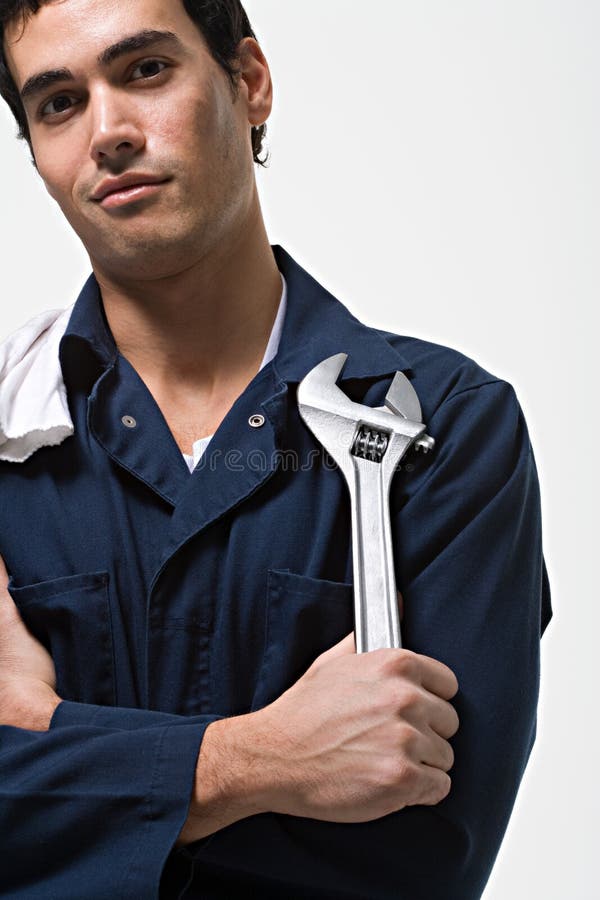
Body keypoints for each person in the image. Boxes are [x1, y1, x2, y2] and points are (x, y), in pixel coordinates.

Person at [0, 1, 552, 898]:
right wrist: (252, 762)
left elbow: (425, 853)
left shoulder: (449, 427)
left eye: (145, 70)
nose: (107, 133)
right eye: (58, 103)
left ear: (248, 83)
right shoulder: (5, 428)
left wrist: (56, 757)